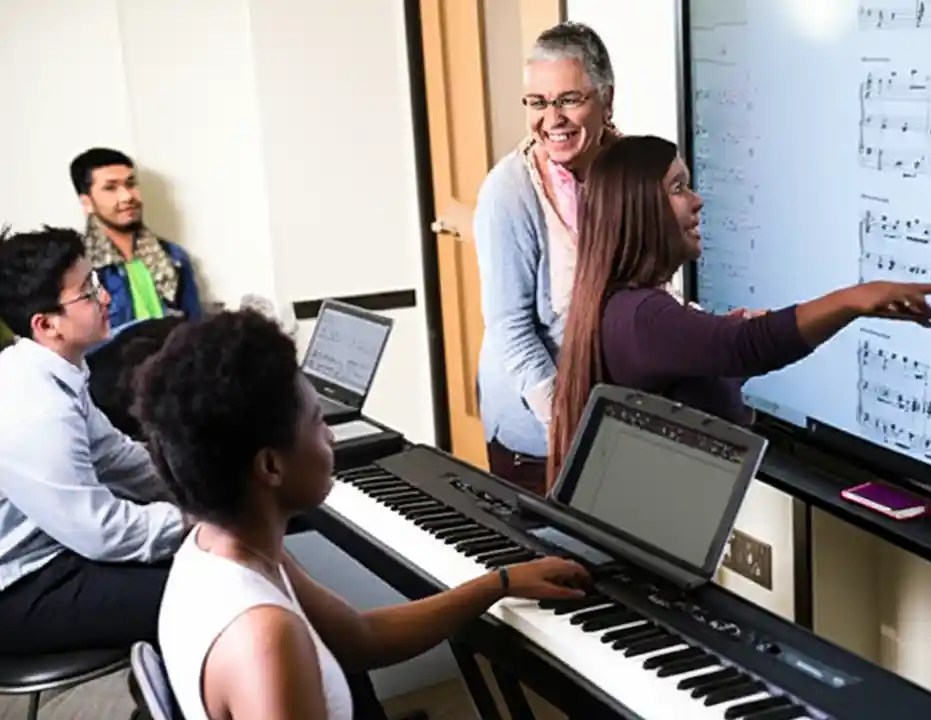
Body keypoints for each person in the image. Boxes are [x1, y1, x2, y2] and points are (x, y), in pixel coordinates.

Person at [135, 309, 591, 720]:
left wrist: (499, 583)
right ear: (270, 466)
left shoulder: (215, 546)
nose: (331, 437)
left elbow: (361, 639)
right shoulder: (265, 638)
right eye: (317, 421)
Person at [547, 136, 931, 479]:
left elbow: (718, 357)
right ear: (637, 209)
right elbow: (748, 346)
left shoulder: (626, 308)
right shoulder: (641, 318)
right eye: (677, 188)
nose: (697, 201)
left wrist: (720, 339)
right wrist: (856, 299)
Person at [0, 226, 186, 654]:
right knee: (213, 600)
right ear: (46, 324)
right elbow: (101, 532)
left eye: (96, 283)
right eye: (88, 293)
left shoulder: (59, 373)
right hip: (22, 588)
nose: (105, 298)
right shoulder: (35, 407)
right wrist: (198, 520)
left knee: (220, 568)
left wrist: (202, 486)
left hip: (59, 548)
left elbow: (119, 457)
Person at [474, 21, 620, 494]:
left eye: (569, 100)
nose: (551, 118)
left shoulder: (634, 169)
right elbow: (510, 329)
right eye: (538, 103)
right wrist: (573, 429)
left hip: (615, 421)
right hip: (539, 435)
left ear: (606, 98)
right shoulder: (509, 191)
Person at [71, 147, 203, 330]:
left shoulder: (173, 257)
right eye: (111, 188)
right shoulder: (80, 269)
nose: (127, 196)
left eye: (130, 184)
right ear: (87, 202)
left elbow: (195, 327)